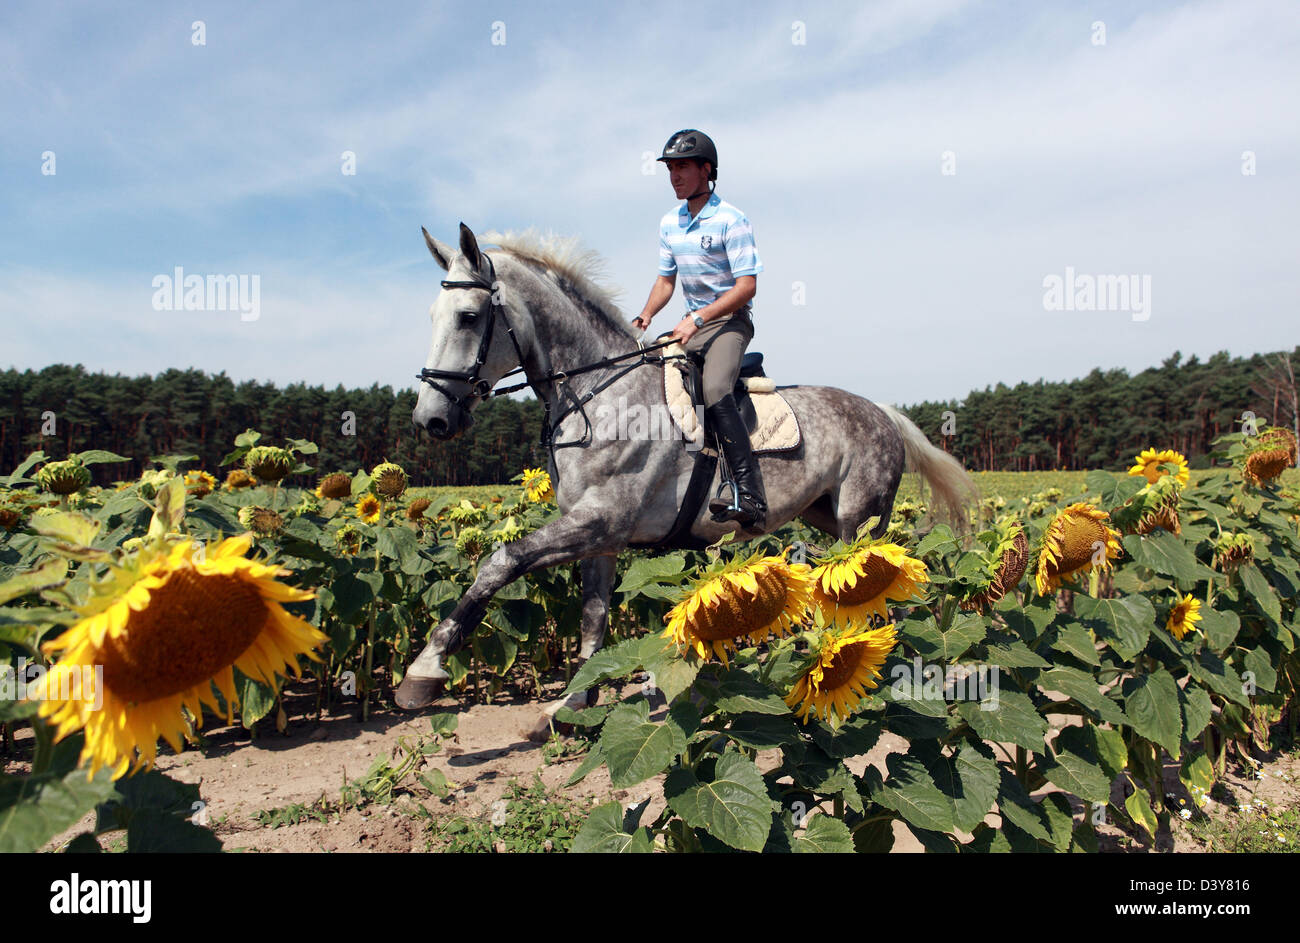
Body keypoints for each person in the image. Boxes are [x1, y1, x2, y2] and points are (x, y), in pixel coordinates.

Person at [631, 129, 767, 530]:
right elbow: (665, 281)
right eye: (670, 168)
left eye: (683, 167)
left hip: (729, 322)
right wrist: (646, 314)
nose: (674, 176)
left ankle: (750, 493)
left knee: (714, 390)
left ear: (706, 170)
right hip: (690, 326)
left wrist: (698, 319)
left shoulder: (731, 219)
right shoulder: (669, 223)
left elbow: (747, 286)